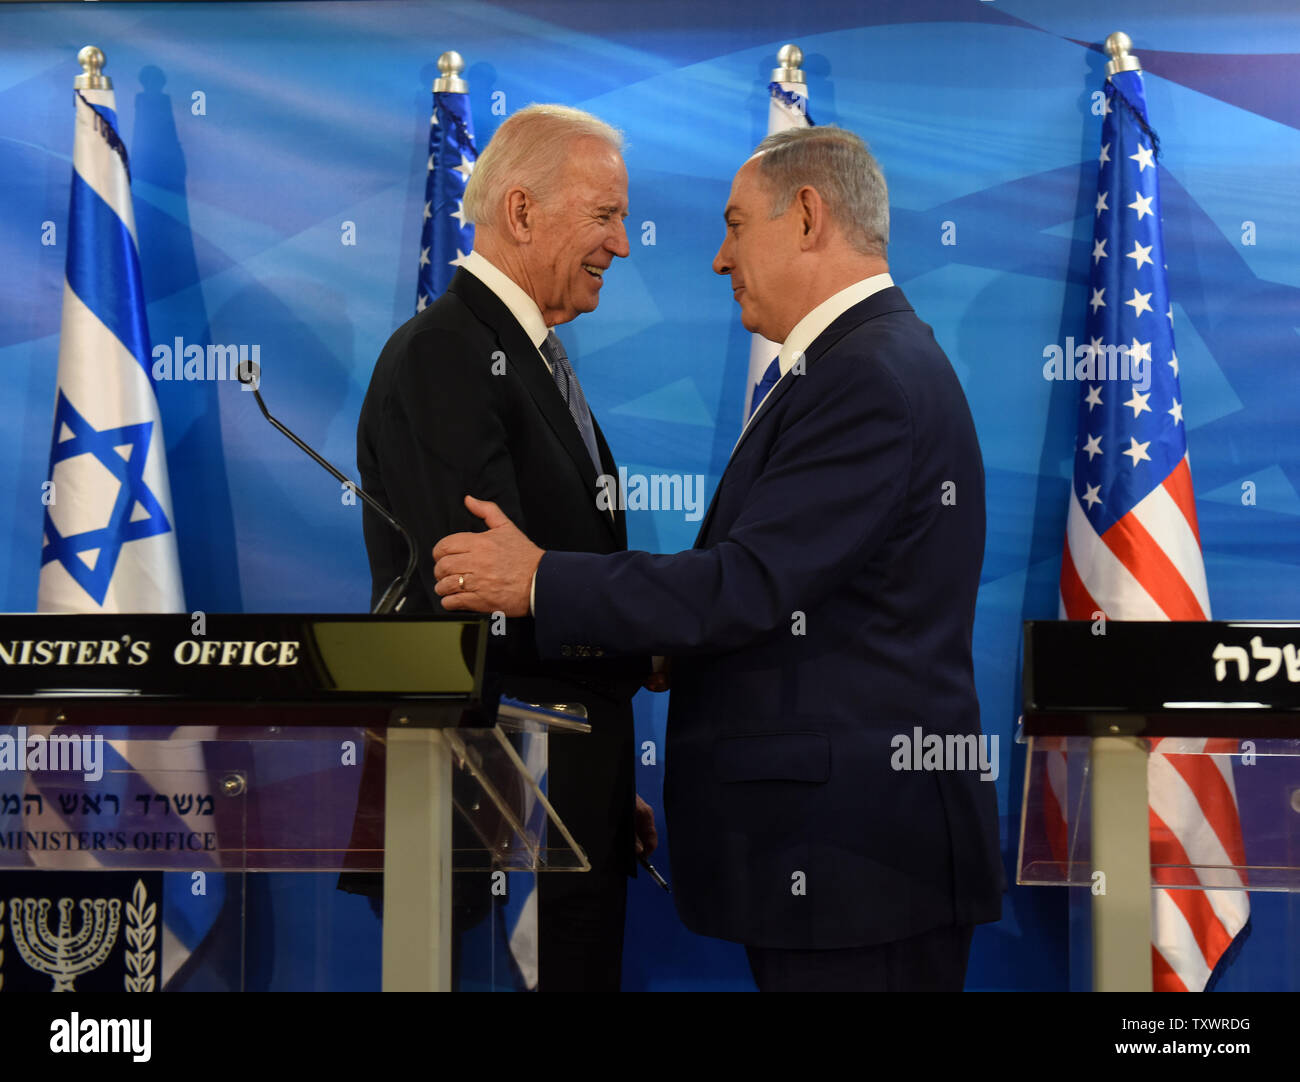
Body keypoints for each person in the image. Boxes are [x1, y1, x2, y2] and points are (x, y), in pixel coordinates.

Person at [430, 126, 1004, 992]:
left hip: (857, 865)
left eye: (735, 226)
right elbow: (800, 588)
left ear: (807, 215)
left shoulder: (867, 377)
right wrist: (668, 644)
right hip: (844, 860)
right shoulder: (860, 363)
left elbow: (750, 583)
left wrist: (539, 579)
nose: (718, 258)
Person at [350, 104, 656, 992]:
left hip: (545, 804)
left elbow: (541, 578)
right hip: (481, 829)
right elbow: (482, 596)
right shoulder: (449, 355)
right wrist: (656, 635)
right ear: (521, 212)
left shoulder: (521, 354)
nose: (624, 244)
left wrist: (593, 773)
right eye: (604, 216)